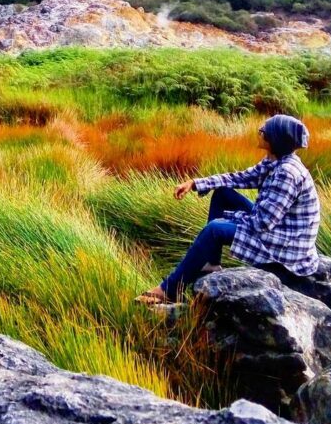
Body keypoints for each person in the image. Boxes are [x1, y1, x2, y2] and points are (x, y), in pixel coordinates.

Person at [136, 114, 320, 304]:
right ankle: (210, 264)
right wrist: (196, 183)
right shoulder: (275, 161)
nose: (260, 133)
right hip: (277, 226)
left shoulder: (287, 173)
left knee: (215, 229)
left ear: (275, 139)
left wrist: (229, 220)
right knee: (223, 194)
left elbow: (263, 223)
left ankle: (169, 290)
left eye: (264, 131)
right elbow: (241, 178)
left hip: (286, 244)